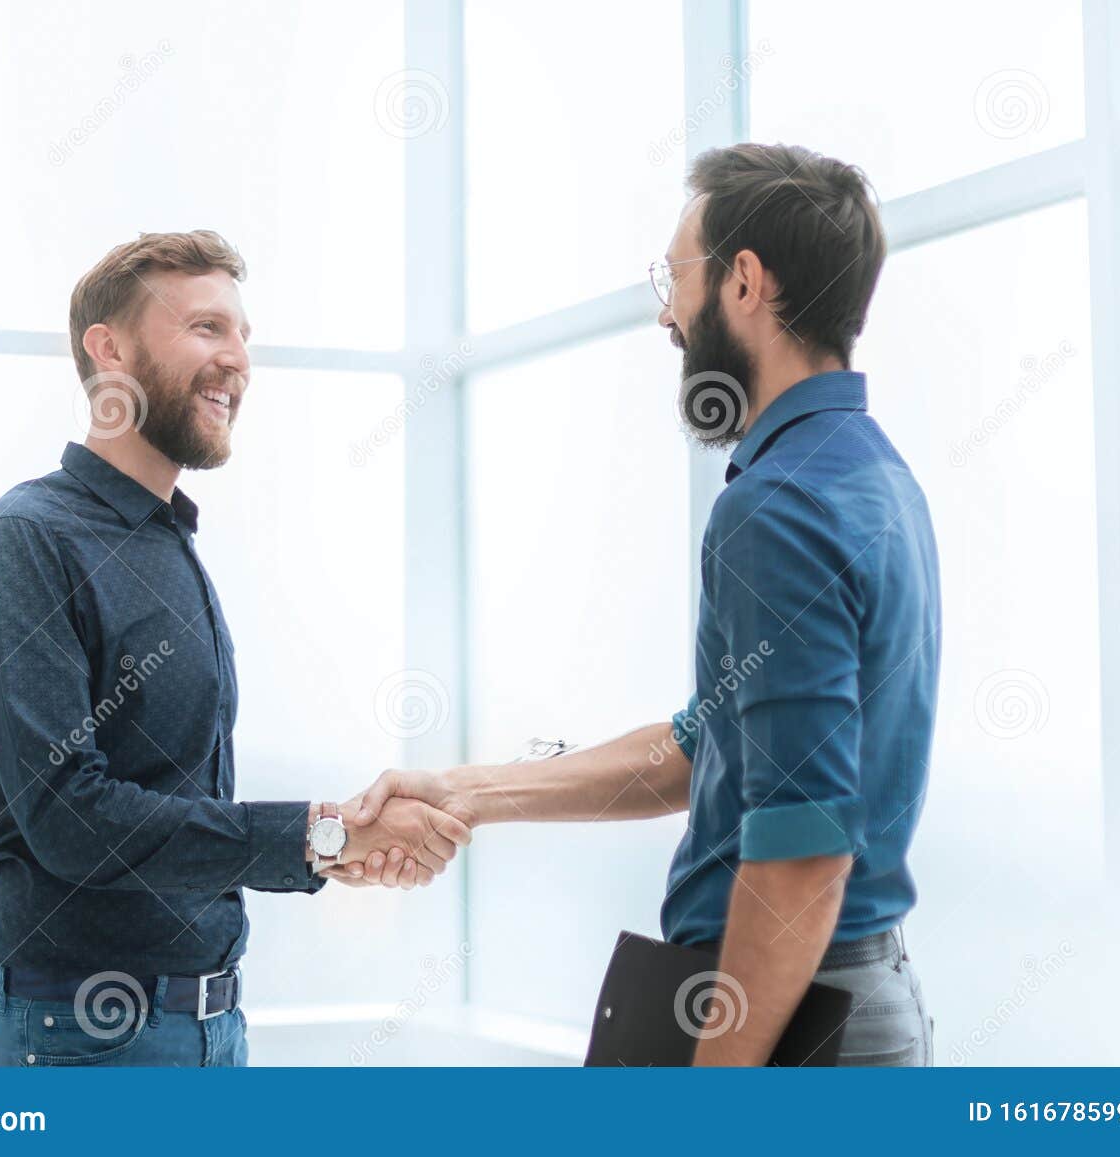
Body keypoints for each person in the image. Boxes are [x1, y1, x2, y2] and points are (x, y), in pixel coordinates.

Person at [338, 144, 942, 1067]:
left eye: (677, 276)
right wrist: (469, 790)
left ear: (744, 281)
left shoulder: (774, 506)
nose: (666, 311)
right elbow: (708, 746)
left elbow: (802, 846)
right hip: (843, 998)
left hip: (783, 1020)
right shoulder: (872, 477)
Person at [0, 230, 469, 1067]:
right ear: (108, 349)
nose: (237, 360)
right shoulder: (25, 541)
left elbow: (174, 803)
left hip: (210, 1025)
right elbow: (70, 819)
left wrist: (333, 849)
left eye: (242, 337)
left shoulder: (169, 542)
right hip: (81, 1039)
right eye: (206, 329)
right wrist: (318, 836)